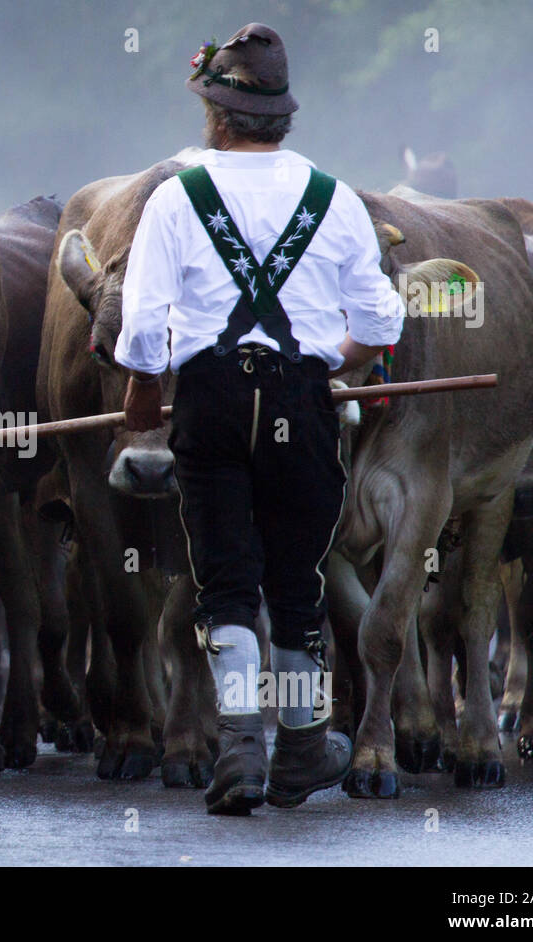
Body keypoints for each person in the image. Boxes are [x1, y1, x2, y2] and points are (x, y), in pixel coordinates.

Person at [116, 23, 405, 815]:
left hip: (207, 401)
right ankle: (304, 752)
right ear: (283, 118)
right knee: (296, 585)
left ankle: (240, 751)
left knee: (226, 584)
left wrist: (143, 397)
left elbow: (142, 325)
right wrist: (336, 359)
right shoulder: (334, 198)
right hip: (301, 404)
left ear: (215, 115)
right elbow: (384, 320)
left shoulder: (177, 198)